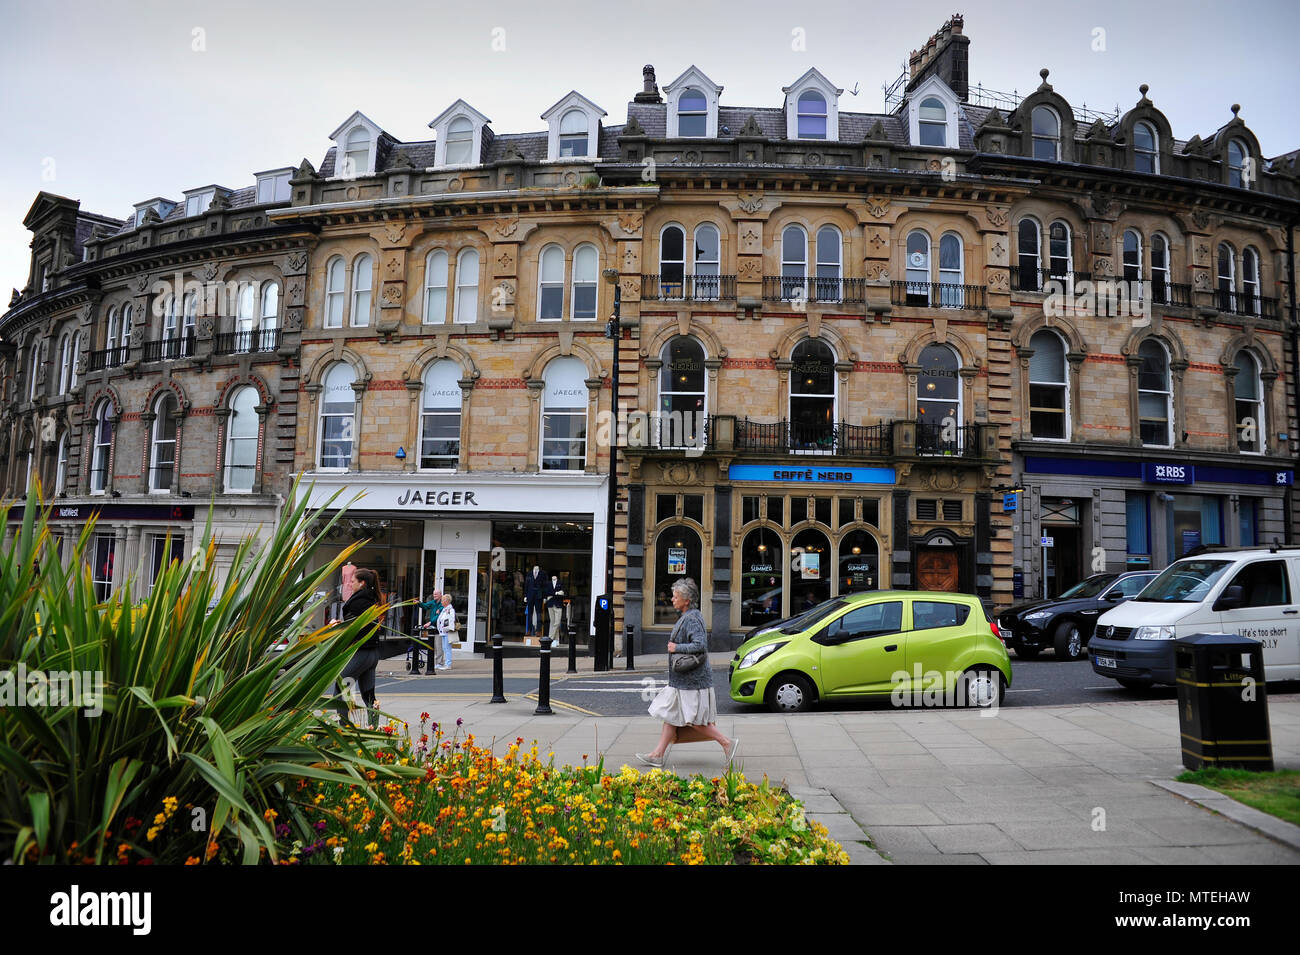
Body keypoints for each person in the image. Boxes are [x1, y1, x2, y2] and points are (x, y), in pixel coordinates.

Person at [637, 578, 738, 770]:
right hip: (682, 681)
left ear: (686, 600)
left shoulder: (692, 618)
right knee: (671, 716)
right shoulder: (689, 615)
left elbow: (701, 646)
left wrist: (676, 647)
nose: (672, 599)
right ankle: (657, 755)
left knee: (693, 721)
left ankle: (726, 742)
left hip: (692, 681)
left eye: (676, 597)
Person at [330, 568, 383, 725]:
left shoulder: (359, 601)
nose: (350, 584)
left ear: (362, 583)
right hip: (372, 653)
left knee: (341, 692)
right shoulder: (371, 599)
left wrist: (337, 626)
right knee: (369, 696)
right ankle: (374, 729)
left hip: (361, 652)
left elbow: (353, 627)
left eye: (353, 581)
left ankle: (344, 731)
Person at [417, 590, 444, 672]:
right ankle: (436, 663)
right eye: (434, 594)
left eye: (436, 594)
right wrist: (418, 603)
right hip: (432, 627)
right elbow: (425, 606)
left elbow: (439, 616)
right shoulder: (433, 602)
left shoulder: (442, 603)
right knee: (434, 646)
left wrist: (430, 622)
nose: (434, 595)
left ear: (440, 595)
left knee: (439, 646)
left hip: (439, 628)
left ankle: (439, 663)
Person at [436, 592, 457, 670]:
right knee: (444, 648)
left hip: (447, 632)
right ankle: (446, 663)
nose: (441, 602)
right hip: (443, 632)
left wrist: (447, 614)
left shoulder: (450, 610)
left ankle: (448, 664)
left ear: (447, 601)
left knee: (447, 648)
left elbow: (451, 620)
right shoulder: (444, 610)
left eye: (442, 600)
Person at [544, 574, 566, 645]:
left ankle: (550, 637)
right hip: (550, 604)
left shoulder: (560, 582)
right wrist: (556, 593)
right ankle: (556, 641)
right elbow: (546, 592)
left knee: (557, 622)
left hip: (558, 604)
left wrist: (552, 595)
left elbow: (563, 592)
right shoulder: (548, 583)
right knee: (552, 622)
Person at [523, 566, 544, 636]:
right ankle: (529, 630)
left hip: (539, 597)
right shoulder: (529, 574)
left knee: (539, 614)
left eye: (537, 569)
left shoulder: (542, 574)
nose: (536, 570)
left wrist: (544, 597)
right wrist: (525, 595)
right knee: (529, 614)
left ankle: (538, 630)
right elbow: (526, 585)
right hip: (530, 596)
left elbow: (544, 586)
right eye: (535, 569)